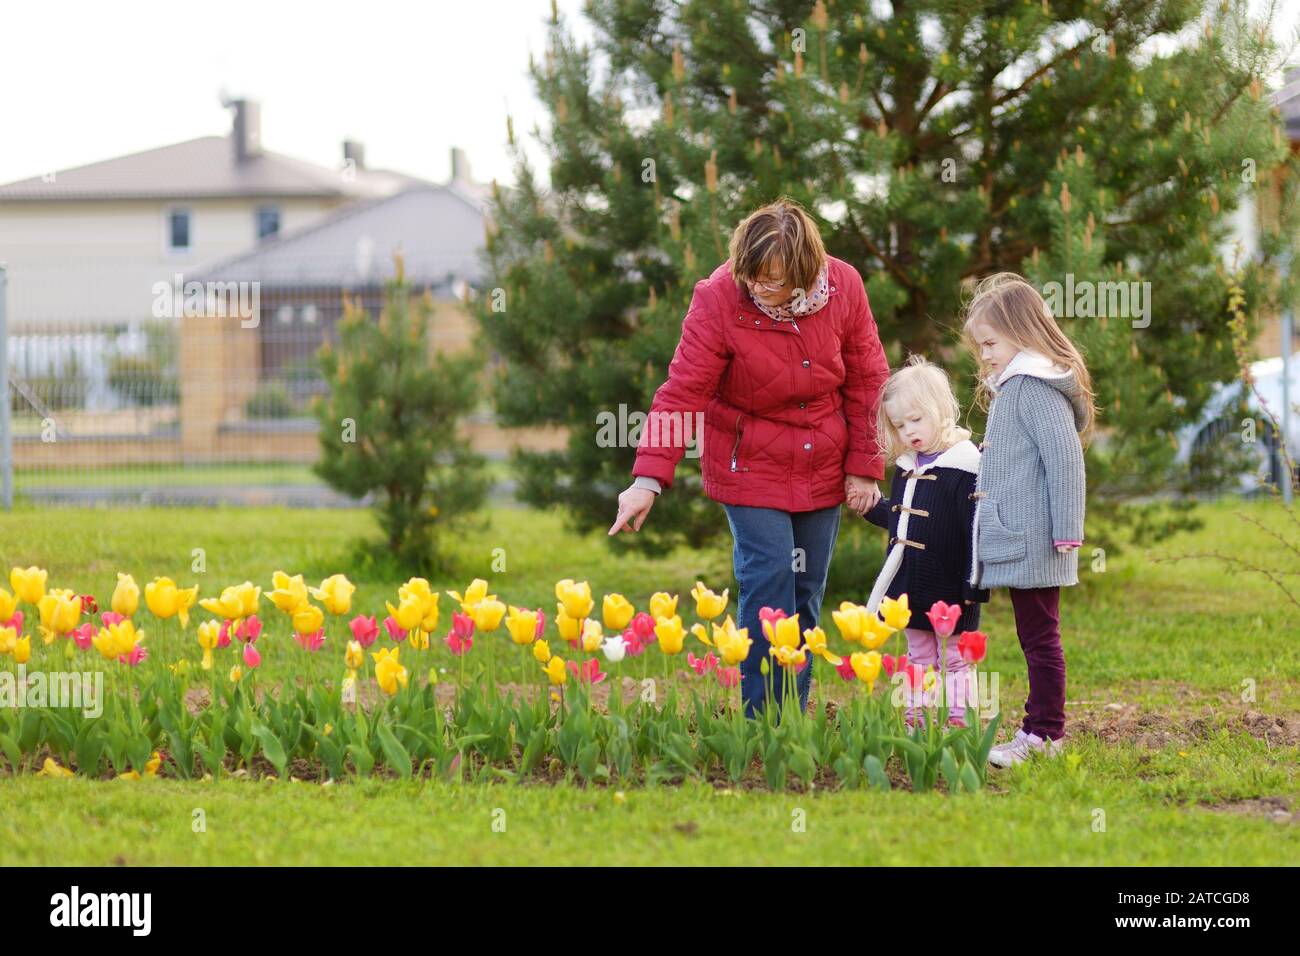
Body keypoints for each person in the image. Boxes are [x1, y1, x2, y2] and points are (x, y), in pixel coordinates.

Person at [608, 197, 890, 717]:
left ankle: (793, 712)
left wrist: (864, 465)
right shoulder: (719, 297)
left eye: (774, 280)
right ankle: (764, 718)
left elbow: (869, 379)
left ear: (806, 272)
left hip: (822, 460)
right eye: (752, 276)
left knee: (806, 591)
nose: (758, 288)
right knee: (769, 582)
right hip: (749, 462)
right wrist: (648, 478)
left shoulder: (844, 286)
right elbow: (682, 391)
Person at [961, 272, 1096, 766]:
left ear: (1022, 333)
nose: (985, 355)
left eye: (991, 343)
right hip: (1024, 536)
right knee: (1034, 635)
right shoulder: (1016, 387)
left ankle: (1045, 735)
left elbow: (1065, 461)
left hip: (1039, 539)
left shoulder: (1032, 388)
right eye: (981, 347)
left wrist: (1067, 532)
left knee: (1040, 638)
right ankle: (1042, 731)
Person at [857, 355, 988, 728]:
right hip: (909, 584)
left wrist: (973, 585)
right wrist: (873, 508)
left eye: (916, 419)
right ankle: (915, 718)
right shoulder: (907, 466)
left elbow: (975, 531)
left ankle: (959, 720)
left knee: (956, 658)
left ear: (941, 409)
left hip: (951, 585)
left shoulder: (967, 466)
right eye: (899, 425)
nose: (909, 431)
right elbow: (902, 522)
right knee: (917, 655)